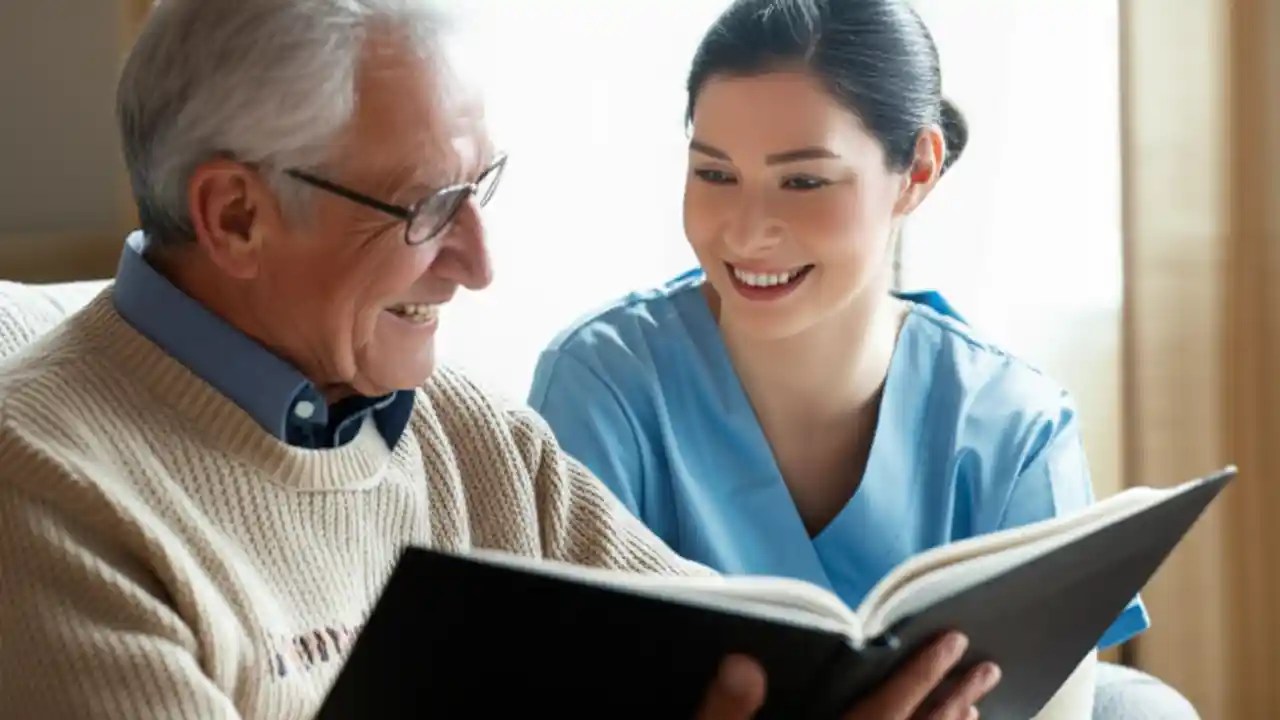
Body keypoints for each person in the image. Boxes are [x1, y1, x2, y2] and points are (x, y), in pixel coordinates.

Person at [0, 1, 1000, 718]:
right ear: (235, 216)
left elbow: (749, 664)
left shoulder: (468, 436)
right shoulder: (47, 498)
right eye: (431, 206)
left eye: (481, 189)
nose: (479, 264)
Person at [528, 0, 1151, 713]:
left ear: (917, 171)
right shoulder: (602, 386)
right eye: (716, 175)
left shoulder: (1016, 428)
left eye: (803, 181)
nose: (746, 233)